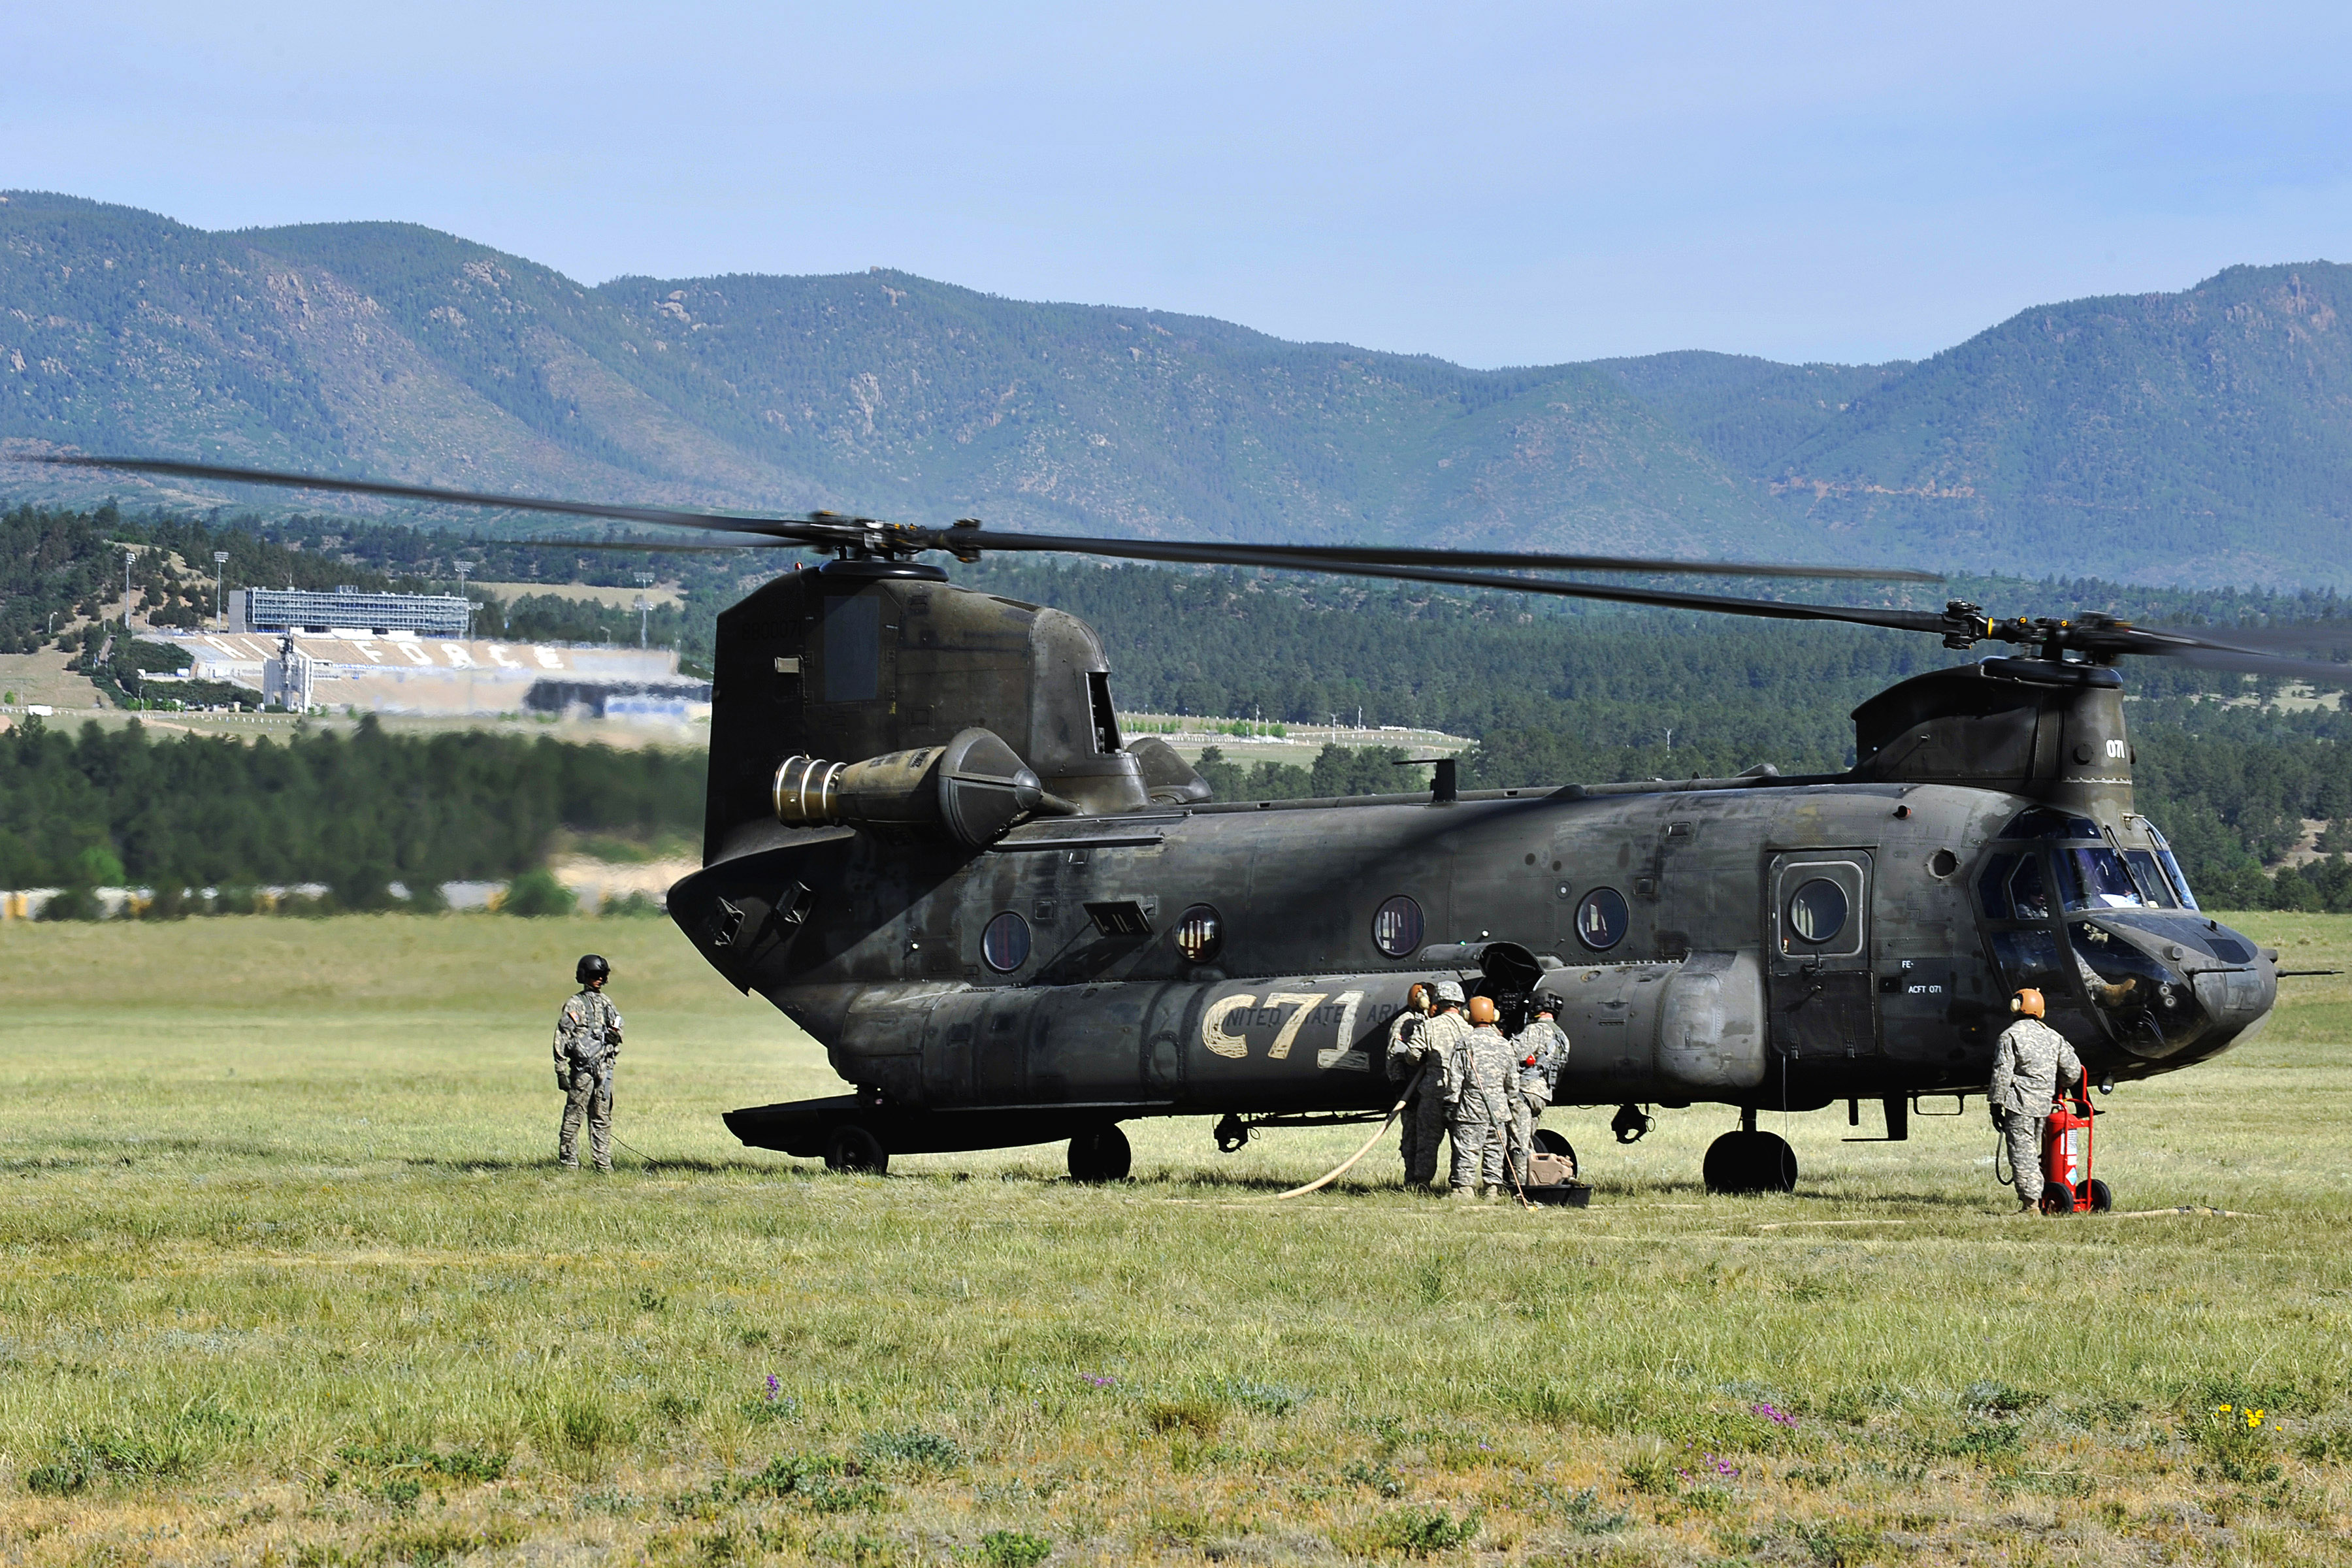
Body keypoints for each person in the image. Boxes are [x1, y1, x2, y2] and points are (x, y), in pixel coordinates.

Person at [1987, 987, 2082, 1215]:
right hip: (2044, 1105)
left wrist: (1995, 1104)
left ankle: (2031, 1205)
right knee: (2035, 1152)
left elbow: (2002, 1073)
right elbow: (2073, 1071)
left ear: (2015, 1007)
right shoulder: (2054, 1036)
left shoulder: (2010, 1036)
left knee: (2023, 1153)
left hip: (2019, 1105)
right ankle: (2044, 1197)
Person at [555, 953, 625, 1173]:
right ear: (584, 976)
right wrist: (560, 1070)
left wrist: (615, 1037)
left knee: (601, 1118)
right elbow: (562, 1036)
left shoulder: (607, 1003)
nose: (599, 980)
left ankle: (603, 1164)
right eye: (595, 975)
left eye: (602, 976)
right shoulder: (574, 1004)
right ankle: (569, 1163)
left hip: (604, 1070)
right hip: (583, 1070)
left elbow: (618, 1028)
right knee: (574, 1116)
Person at [1445, 994, 1515, 1200]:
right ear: (1494, 1016)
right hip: (1499, 1110)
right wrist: (1508, 1101)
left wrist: (1450, 1103)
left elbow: (1455, 1078)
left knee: (1467, 1148)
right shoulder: (1504, 1044)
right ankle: (1492, 1188)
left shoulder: (1464, 1044)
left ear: (1468, 1016)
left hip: (1471, 1109)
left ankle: (1465, 1189)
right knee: (1495, 1149)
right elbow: (1513, 1081)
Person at [1412, 979, 1473, 1189]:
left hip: (1433, 1093)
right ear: (1459, 1003)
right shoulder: (1470, 1030)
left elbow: (1412, 1055)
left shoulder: (1429, 1027)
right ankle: (1461, 1187)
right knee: (1462, 1142)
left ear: (1438, 1001)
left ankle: (1422, 1183)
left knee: (1428, 1140)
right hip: (1462, 1096)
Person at [1505, 1004, 1571, 1187]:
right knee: (1528, 1140)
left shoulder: (1535, 1029)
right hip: (1542, 1094)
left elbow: (1513, 1053)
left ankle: (1520, 1187)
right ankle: (1538, 1181)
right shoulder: (1562, 1037)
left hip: (1524, 1092)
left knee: (1520, 1143)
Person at [1385, 983, 1435, 1179]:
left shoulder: (1432, 1022)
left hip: (1427, 1088)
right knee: (1411, 1137)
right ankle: (1412, 1177)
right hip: (1411, 1089)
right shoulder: (1405, 1022)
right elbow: (1394, 1055)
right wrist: (1399, 1085)